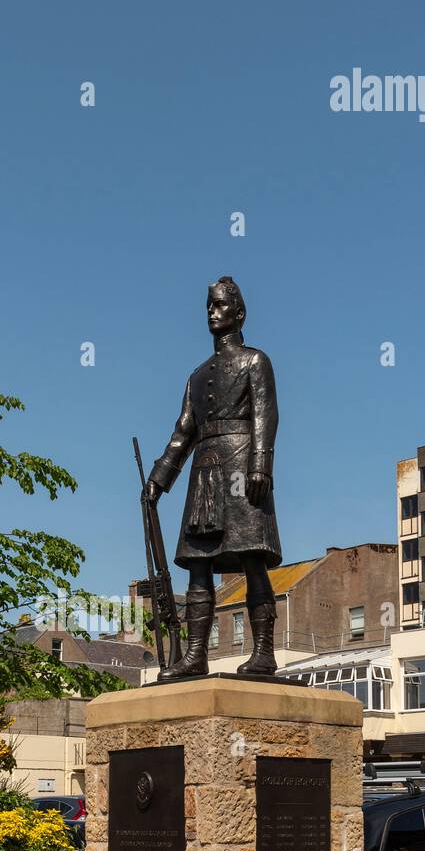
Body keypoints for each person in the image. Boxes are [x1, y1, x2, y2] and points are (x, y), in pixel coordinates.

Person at [146, 276, 282, 678]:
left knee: (253, 559)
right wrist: (158, 478)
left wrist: (261, 464)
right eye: (209, 305)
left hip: (241, 465)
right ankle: (195, 656)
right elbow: (183, 431)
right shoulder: (197, 375)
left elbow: (266, 415)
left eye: (220, 305)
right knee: (199, 564)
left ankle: (264, 653)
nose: (212, 312)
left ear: (239, 313)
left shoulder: (256, 361)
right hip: (204, 470)